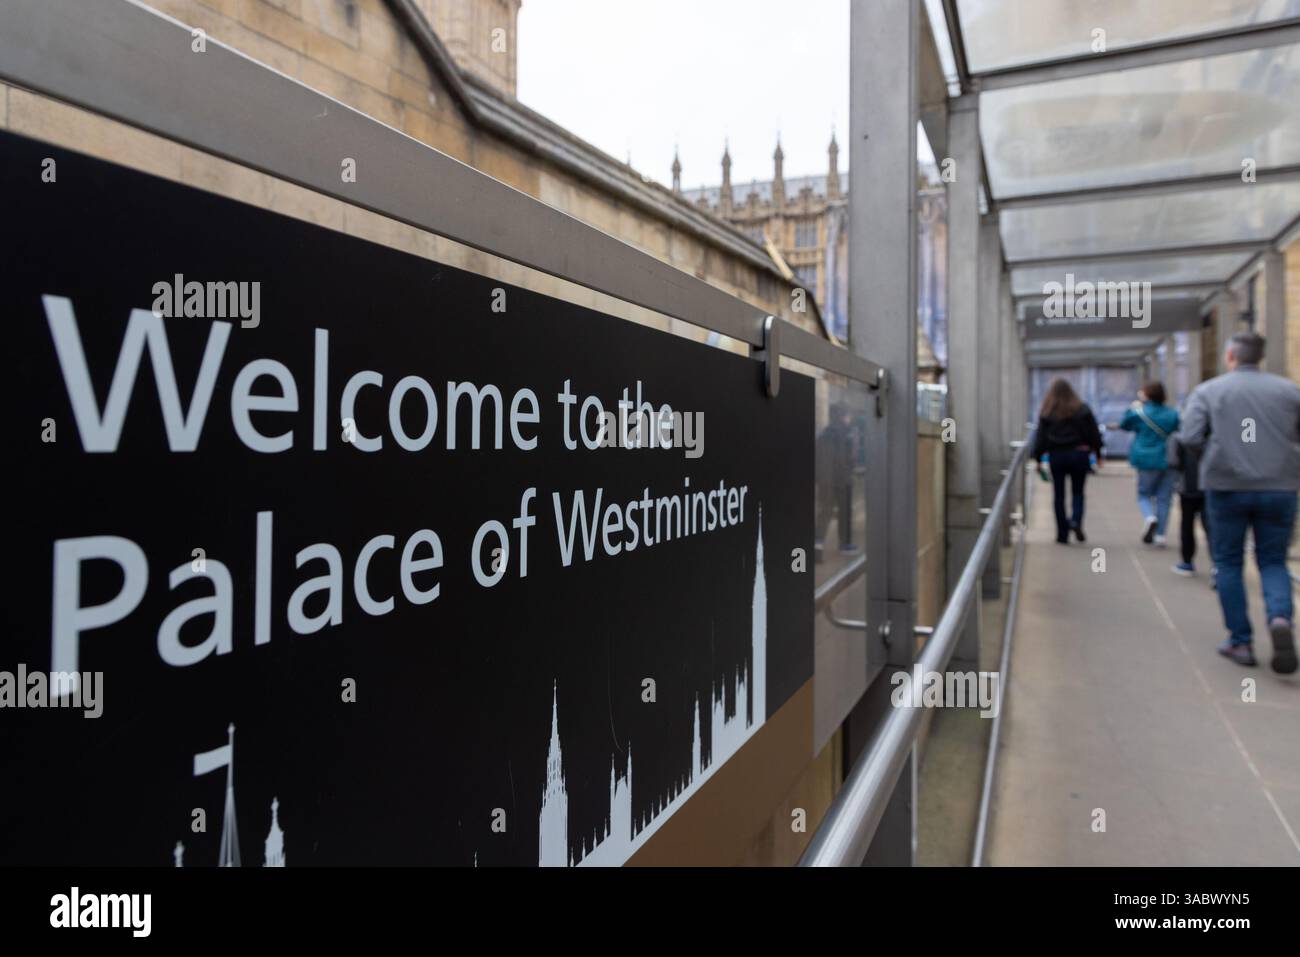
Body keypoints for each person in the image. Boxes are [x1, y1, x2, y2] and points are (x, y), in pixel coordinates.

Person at [1181, 331, 1300, 673]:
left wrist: (1216, 460)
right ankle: (1279, 618)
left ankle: (1240, 641)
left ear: (1230, 356)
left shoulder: (1209, 391)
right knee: (1273, 560)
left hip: (1227, 486)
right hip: (1280, 486)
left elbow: (1190, 437)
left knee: (1229, 561)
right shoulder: (1289, 391)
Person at [1031, 378, 1103, 544]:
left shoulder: (1047, 412)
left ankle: (1062, 533)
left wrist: (1038, 459)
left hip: (1057, 456)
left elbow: (1040, 438)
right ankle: (1076, 521)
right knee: (1078, 492)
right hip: (1079, 455)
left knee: (1059, 495)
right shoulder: (1082, 409)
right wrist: (1097, 454)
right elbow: (1094, 433)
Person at [1116, 381, 1179, 547]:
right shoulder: (1172, 413)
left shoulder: (1139, 412)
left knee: (1144, 493)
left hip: (1145, 458)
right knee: (1164, 498)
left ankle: (1149, 517)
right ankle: (1161, 536)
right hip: (1168, 458)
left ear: (1146, 395)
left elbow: (1124, 424)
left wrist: (1132, 408)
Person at [814, 402, 858, 561]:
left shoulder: (824, 434)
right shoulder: (847, 433)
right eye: (848, 414)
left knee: (824, 512)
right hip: (842, 480)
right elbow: (850, 458)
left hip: (825, 481)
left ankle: (817, 545)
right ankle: (845, 544)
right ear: (843, 416)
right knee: (844, 512)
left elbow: (818, 459)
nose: (850, 417)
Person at [1170, 435, 1212, 579]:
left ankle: (1187, 562)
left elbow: (1173, 461)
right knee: (1213, 527)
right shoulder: (1217, 432)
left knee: (1187, 525)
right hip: (1211, 487)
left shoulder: (1182, 436)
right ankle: (1217, 566)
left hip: (1188, 486)